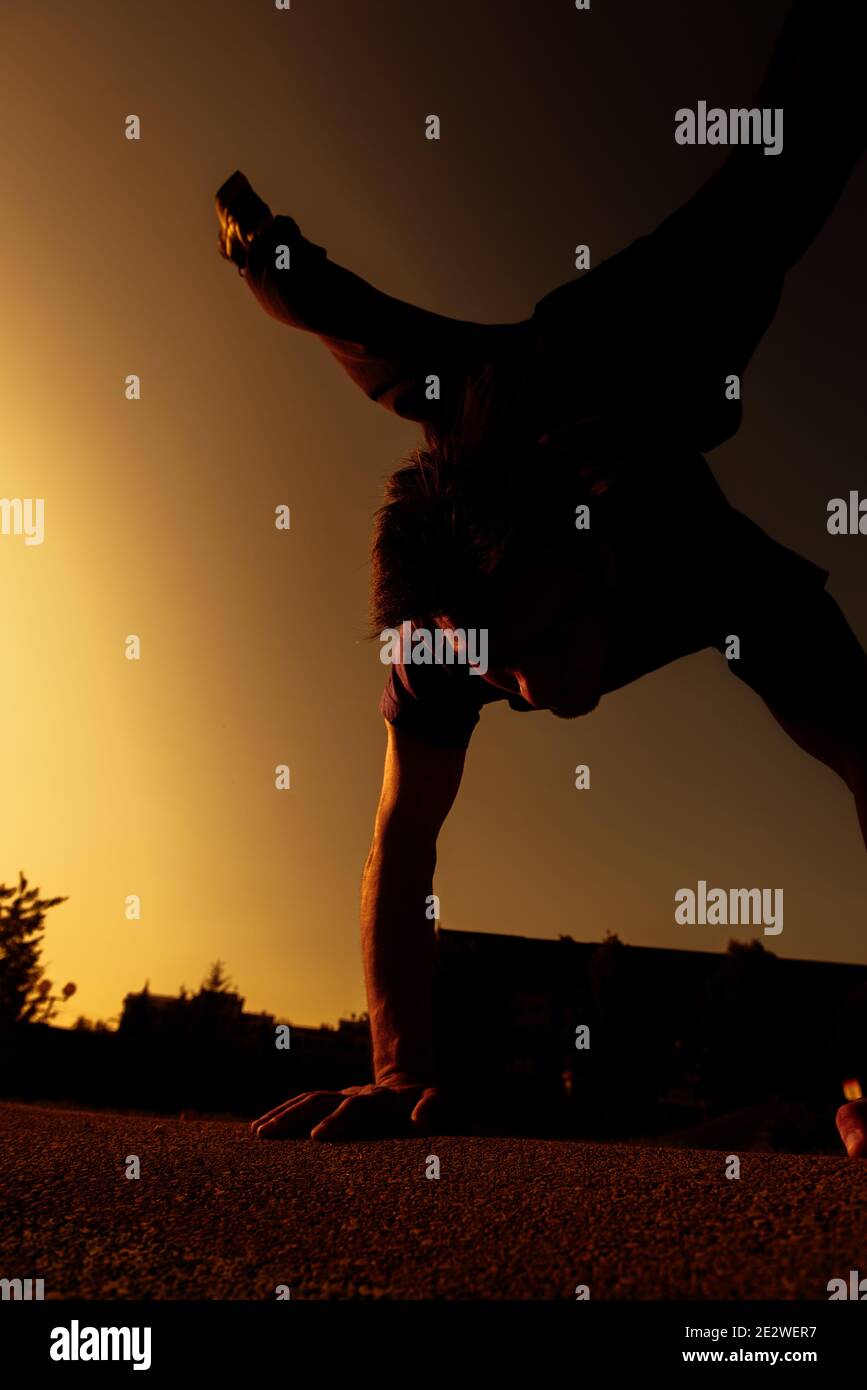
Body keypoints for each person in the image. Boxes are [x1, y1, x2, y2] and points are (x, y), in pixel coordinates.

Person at [215, 0, 867, 1150]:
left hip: (634, 348)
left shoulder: (699, 560)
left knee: (773, 184)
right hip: (488, 399)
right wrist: (398, 1067)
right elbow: (401, 841)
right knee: (376, 338)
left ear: (599, 545)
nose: (535, 690)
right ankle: (264, 255)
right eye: (499, 661)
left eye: (555, 632)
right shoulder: (446, 642)